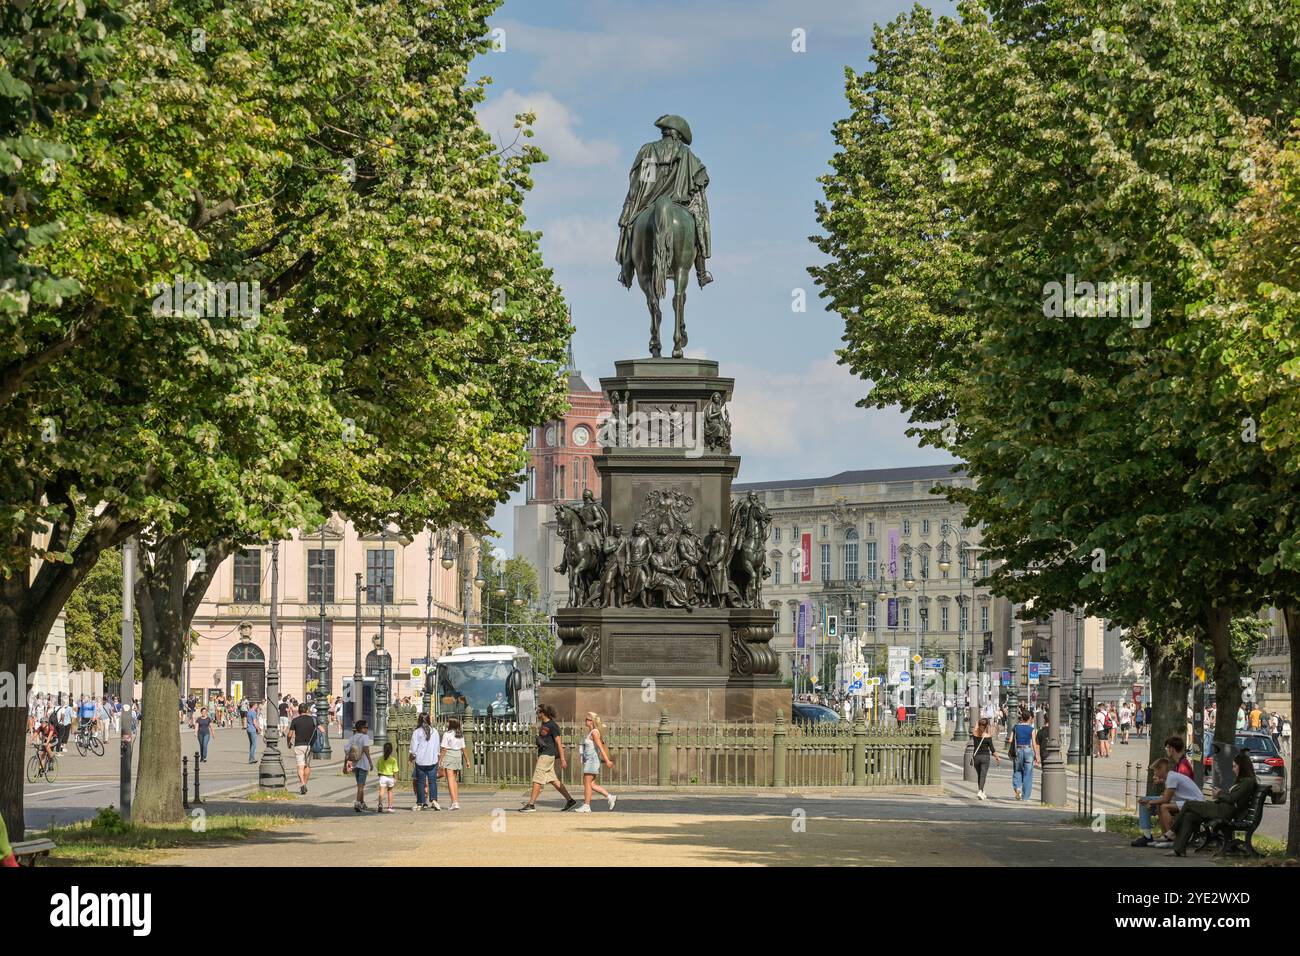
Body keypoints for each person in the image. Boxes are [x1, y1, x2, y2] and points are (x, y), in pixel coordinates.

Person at [1170, 751, 1257, 857]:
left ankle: (1172, 831)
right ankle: (1179, 850)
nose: (1233, 769)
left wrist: (1219, 793)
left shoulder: (1247, 782)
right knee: (1190, 816)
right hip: (1222, 808)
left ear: (1242, 767)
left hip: (1225, 811)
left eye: (1235, 766)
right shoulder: (1244, 781)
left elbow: (1232, 799)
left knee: (1188, 804)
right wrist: (1221, 793)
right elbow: (1233, 797)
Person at [519, 705, 577, 812]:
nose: (537, 714)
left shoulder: (552, 725)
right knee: (554, 780)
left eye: (538, 712)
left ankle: (531, 804)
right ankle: (570, 800)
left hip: (547, 755)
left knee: (537, 779)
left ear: (543, 713)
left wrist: (563, 758)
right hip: (544, 754)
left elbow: (559, 742)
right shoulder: (544, 724)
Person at [1137, 757, 1204, 848]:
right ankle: (1165, 835)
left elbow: (1166, 799)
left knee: (1164, 806)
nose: (1154, 774)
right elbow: (1165, 798)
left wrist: (1150, 802)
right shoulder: (1170, 777)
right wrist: (1151, 802)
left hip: (1196, 803)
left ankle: (1171, 838)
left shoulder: (1172, 777)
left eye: (1155, 771)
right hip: (1189, 802)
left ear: (1161, 769)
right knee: (1160, 805)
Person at [577, 712, 616, 813]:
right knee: (592, 784)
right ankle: (610, 797)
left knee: (587, 783)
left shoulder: (594, 732)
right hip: (591, 760)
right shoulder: (591, 732)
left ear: (592, 721)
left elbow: (600, 747)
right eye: (586, 719)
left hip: (593, 761)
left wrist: (607, 760)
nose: (586, 721)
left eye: (587, 719)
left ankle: (586, 805)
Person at [407, 711, 442, 811]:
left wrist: (411, 758)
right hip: (432, 760)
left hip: (421, 761)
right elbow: (437, 748)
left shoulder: (417, 732)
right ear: (429, 720)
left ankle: (420, 802)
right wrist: (437, 759)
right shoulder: (434, 731)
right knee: (432, 782)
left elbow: (413, 749)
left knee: (420, 782)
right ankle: (434, 800)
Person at [287, 703, 318, 795]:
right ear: (307, 710)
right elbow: (322, 730)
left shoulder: (295, 720)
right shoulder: (313, 720)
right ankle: (305, 783)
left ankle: (302, 784)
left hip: (299, 745)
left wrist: (288, 742)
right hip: (309, 745)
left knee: (300, 766)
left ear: (299, 710)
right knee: (307, 766)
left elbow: (289, 734)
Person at [1009, 708, 1039, 801]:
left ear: (1021, 717)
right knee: (1028, 774)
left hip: (1018, 750)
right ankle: (1025, 797)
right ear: (1029, 718)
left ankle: (1017, 788)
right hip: (1028, 751)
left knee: (1017, 770)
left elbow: (1010, 740)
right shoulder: (1031, 729)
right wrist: (1037, 756)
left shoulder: (1016, 727)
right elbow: (1034, 744)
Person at [969, 716, 1002, 801]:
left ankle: (982, 791)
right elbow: (992, 750)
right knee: (983, 775)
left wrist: (978, 722)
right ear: (986, 726)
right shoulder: (988, 736)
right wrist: (997, 757)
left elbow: (976, 727)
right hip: (985, 757)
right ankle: (980, 791)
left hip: (976, 757)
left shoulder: (974, 734)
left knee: (980, 775)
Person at [346, 719, 374, 813]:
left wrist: (346, 763)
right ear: (361, 728)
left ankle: (362, 802)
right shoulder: (365, 737)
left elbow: (347, 750)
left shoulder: (352, 738)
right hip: (363, 764)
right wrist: (370, 762)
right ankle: (358, 803)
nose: (367, 729)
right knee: (361, 786)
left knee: (360, 784)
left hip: (354, 764)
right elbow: (366, 749)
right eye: (366, 727)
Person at [440, 717, 466, 810]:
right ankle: (456, 801)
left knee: (450, 780)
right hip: (458, 756)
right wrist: (467, 761)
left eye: (447, 722)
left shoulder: (447, 734)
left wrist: (440, 760)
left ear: (451, 724)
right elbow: (463, 748)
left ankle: (454, 802)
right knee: (454, 780)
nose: (446, 723)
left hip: (449, 755)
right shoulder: (460, 734)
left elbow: (444, 748)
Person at [375, 742, 398, 813]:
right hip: (390, 777)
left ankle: (380, 804)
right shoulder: (393, 760)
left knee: (382, 791)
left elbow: (378, 768)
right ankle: (390, 807)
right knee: (390, 791)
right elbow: (395, 771)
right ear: (391, 750)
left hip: (382, 776)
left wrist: (380, 775)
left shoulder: (380, 759)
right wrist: (395, 778)